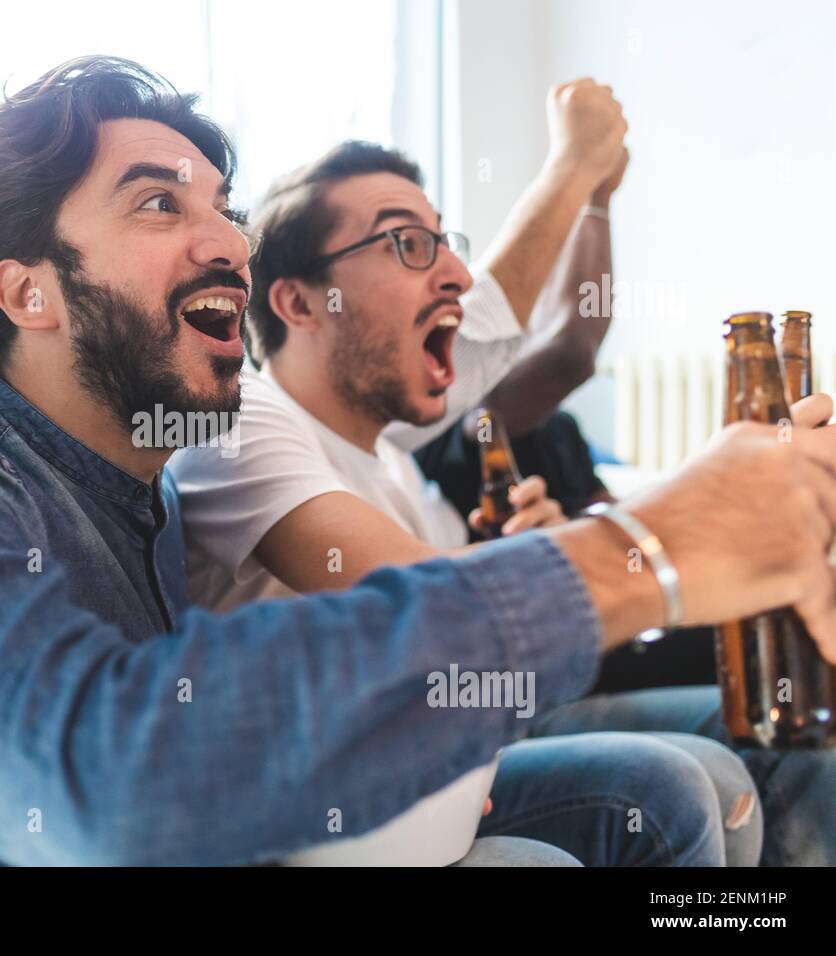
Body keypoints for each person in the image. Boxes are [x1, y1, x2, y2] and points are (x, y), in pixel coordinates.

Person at [0, 57, 836, 867]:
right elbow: (95, 776)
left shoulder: (152, 494)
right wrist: (639, 548)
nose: (225, 238)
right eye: (159, 204)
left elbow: (490, 349)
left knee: (625, 811)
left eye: (220, 206)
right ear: (26, 290)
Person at [168, 125, 835, 865]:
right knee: (671, 784)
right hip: (330, 802)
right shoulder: (242, 416)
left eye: (443, 240)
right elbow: (426, 606)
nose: (455, 272)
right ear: (297, 302)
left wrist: (526, 555)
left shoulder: (393, 451)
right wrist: (683, 517)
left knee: (755, 745)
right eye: (405, 244)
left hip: (462, 745)